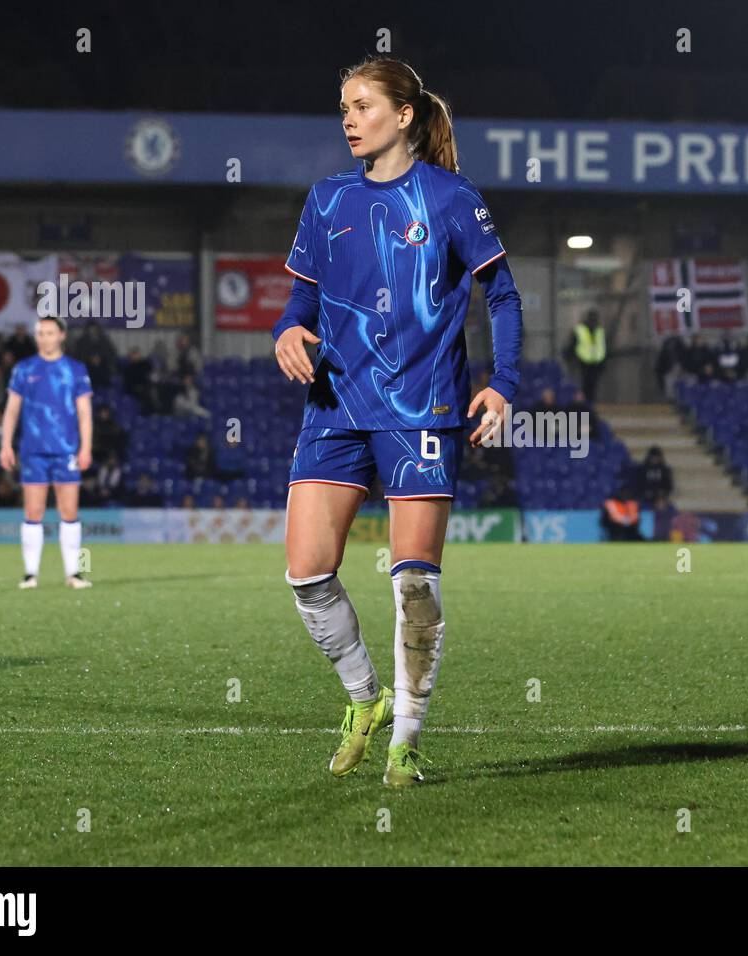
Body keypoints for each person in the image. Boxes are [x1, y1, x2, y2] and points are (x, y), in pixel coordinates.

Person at [271, 56, 522, 788]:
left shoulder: (448, 197)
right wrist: (288, 331)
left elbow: (501, 294)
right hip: (336, 404)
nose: (348, 119)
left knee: (413, 584)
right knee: (307, 573)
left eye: (362, 105)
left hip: (424, 407)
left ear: (404, 114)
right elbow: (301, 303)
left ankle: (406, 741)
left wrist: (503, 384)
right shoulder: (325, 200)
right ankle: (365, 699)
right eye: (342, 107)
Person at [0, 316, 94, 589]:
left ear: (61, 335)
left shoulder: (75, 370)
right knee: (33, 511)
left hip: (66, 450)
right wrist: (6, 444)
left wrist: (85, 447)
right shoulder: (24, 368)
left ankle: (74, 574)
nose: (44, 337)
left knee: (69, 511)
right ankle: (30, 575)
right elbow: (12, 410)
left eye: (50, 332)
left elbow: (85, 413)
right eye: (40, 332)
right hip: (33, 450)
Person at [566, 310, 606, 402]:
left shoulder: (599, 330)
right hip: (582, 362)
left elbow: (603, 346)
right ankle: (584, 404)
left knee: (593, 385)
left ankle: (590, 404)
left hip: (596, 362)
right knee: (584, 384)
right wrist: (571, 357)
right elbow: (573, 344)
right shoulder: (580, 329)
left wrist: (603, 362)